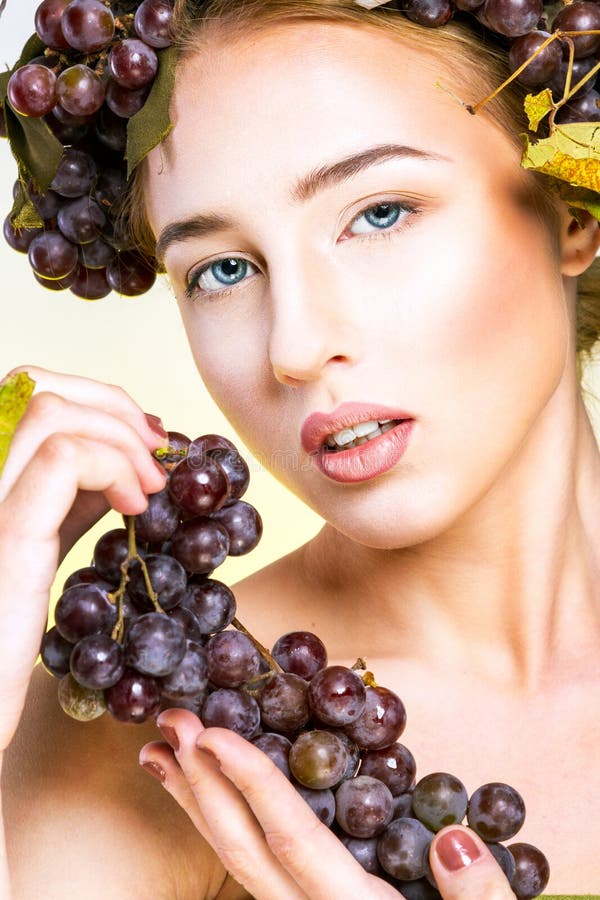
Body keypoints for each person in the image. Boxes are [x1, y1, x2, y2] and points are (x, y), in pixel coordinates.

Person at [0, 0, 599, 896]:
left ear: (570, 208)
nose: (295, 346)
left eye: (381, 213)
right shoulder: (155, 734)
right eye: (223, 270)